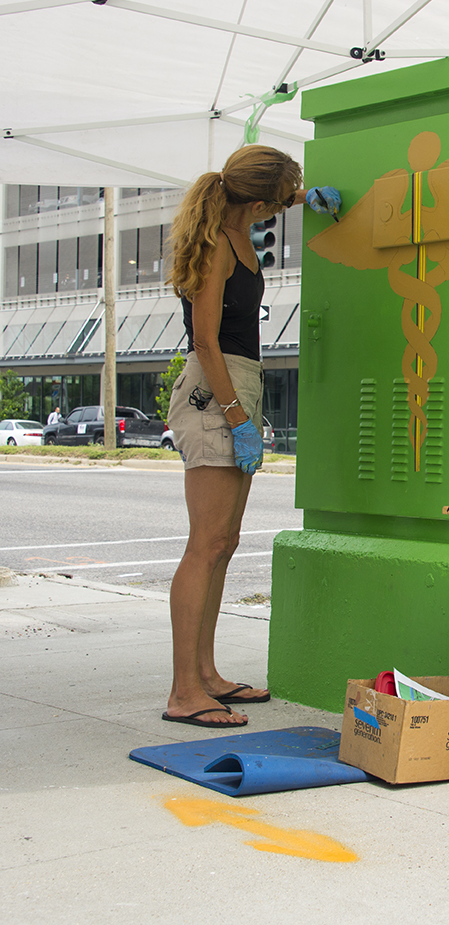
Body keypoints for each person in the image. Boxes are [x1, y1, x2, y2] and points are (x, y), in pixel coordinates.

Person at [163, 145, 340, 728]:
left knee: (225, 542)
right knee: (205, 545)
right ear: (255, 202)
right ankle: (185, 691)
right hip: (215, 391)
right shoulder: (216, 244)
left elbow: (276, 190)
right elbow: (207, 342)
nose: (285, 208)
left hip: (238, 385)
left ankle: (207, 674)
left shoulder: (241, 220)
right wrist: (239, 417)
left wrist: (304, 197)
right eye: (282, 200)